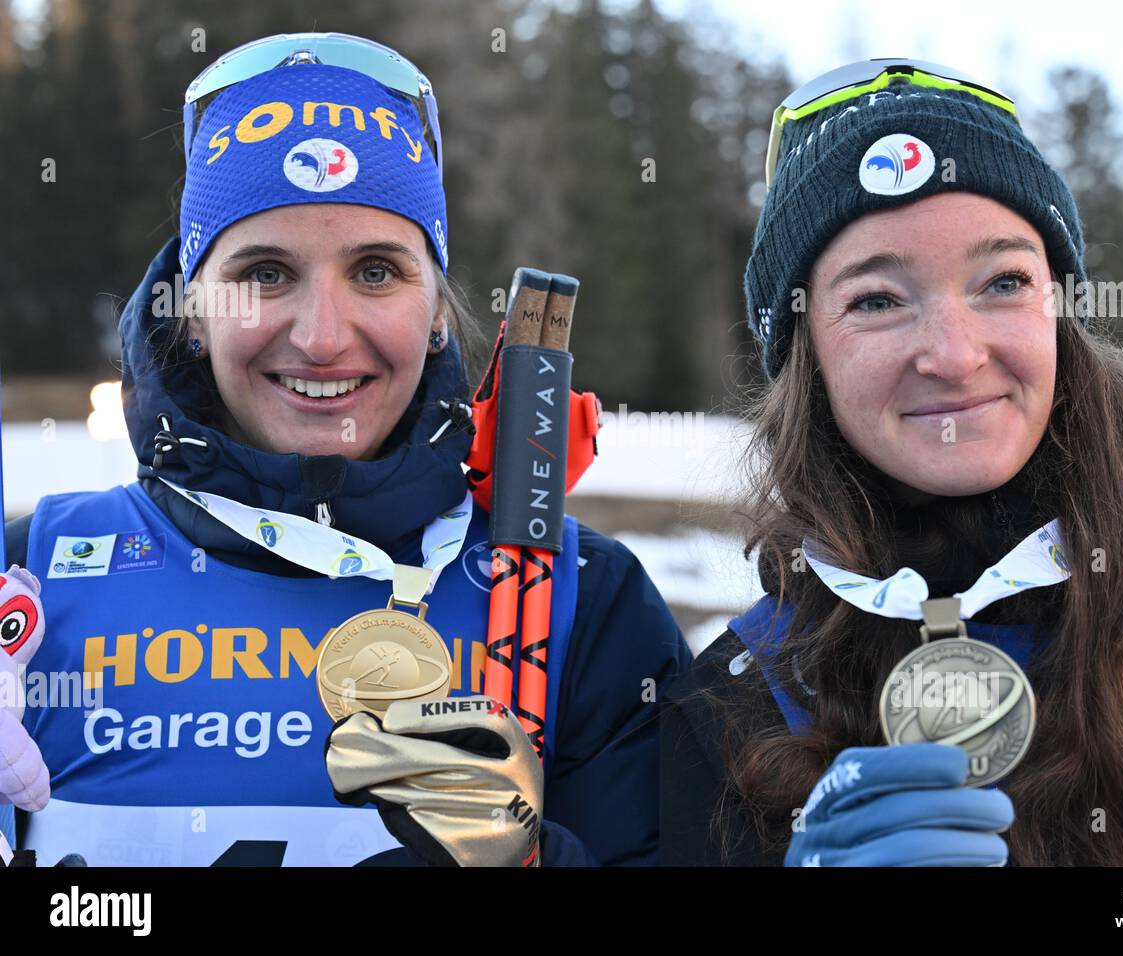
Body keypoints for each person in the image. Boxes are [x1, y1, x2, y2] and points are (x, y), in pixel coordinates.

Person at [3, 32, 689, 867]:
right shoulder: (29, 582)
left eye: (374, 272)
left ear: (437, 307)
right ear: (192, 310)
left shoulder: (580, 602)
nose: (323, 338)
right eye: (263, 273)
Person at [660, 59, 1123, 866]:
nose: (956, 356)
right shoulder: (735, 700)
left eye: (1002, 281)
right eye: (877, 300)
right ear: (805, 356)